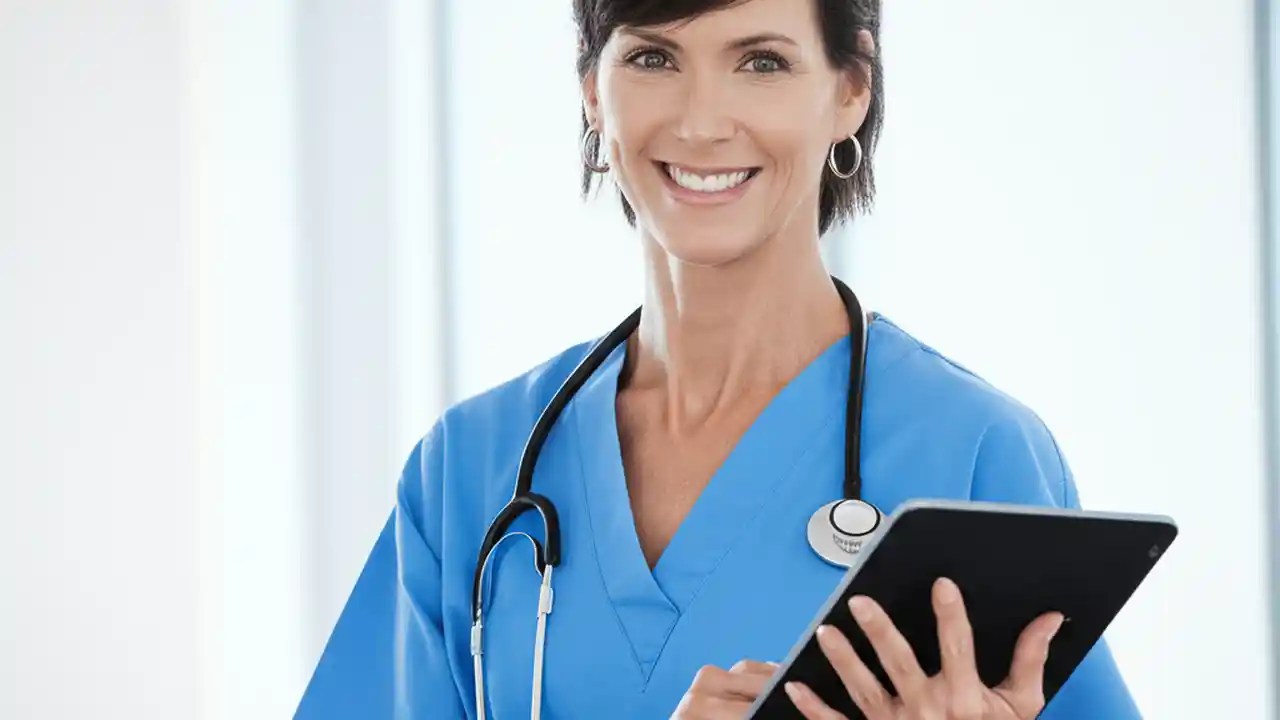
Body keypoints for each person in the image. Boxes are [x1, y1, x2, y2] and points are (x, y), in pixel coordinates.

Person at [296, 0, 1142, 717]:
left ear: (851, 89)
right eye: (654, 57)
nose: (700, 121)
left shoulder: (973, 453)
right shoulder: (471, 469)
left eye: (762, 63)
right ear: (593, 90)